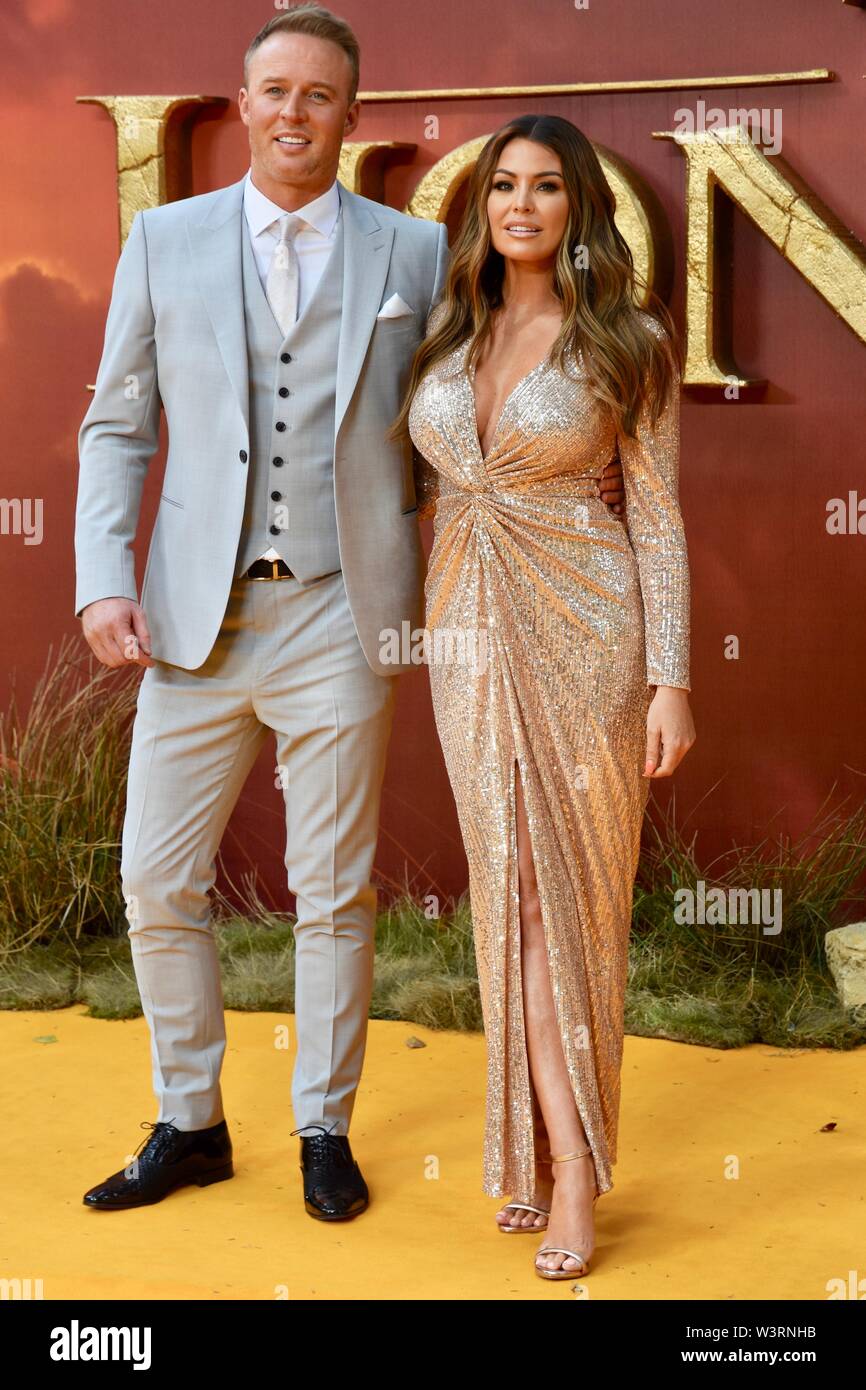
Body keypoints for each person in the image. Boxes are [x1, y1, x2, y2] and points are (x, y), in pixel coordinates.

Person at [73, 5, 631, 1219]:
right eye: (273, 91)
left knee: (334, 888)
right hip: (192, 616)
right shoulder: (162, 240)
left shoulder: (414, 255)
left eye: (317, 95)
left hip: (343, 611)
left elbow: (490, 397)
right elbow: (118, 421)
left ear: (349, 113)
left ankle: (324, 1125)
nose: (292, 113)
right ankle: (189, 1120)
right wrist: (103, 577)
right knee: (154, 880)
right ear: (242, 99)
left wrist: (571, 482)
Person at [391, 114, 695, 1278]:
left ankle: (573, 1173)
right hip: (465, 631)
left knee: (560, 903)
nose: (520, 204)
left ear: (580, 209)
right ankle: (529, 1149)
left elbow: (659, 521)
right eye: (501, 186)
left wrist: (672, 677)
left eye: (546, 188)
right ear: (480, 208)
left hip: (590, 634)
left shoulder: (627, 340)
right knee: (501, 890)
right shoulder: (444, 331)